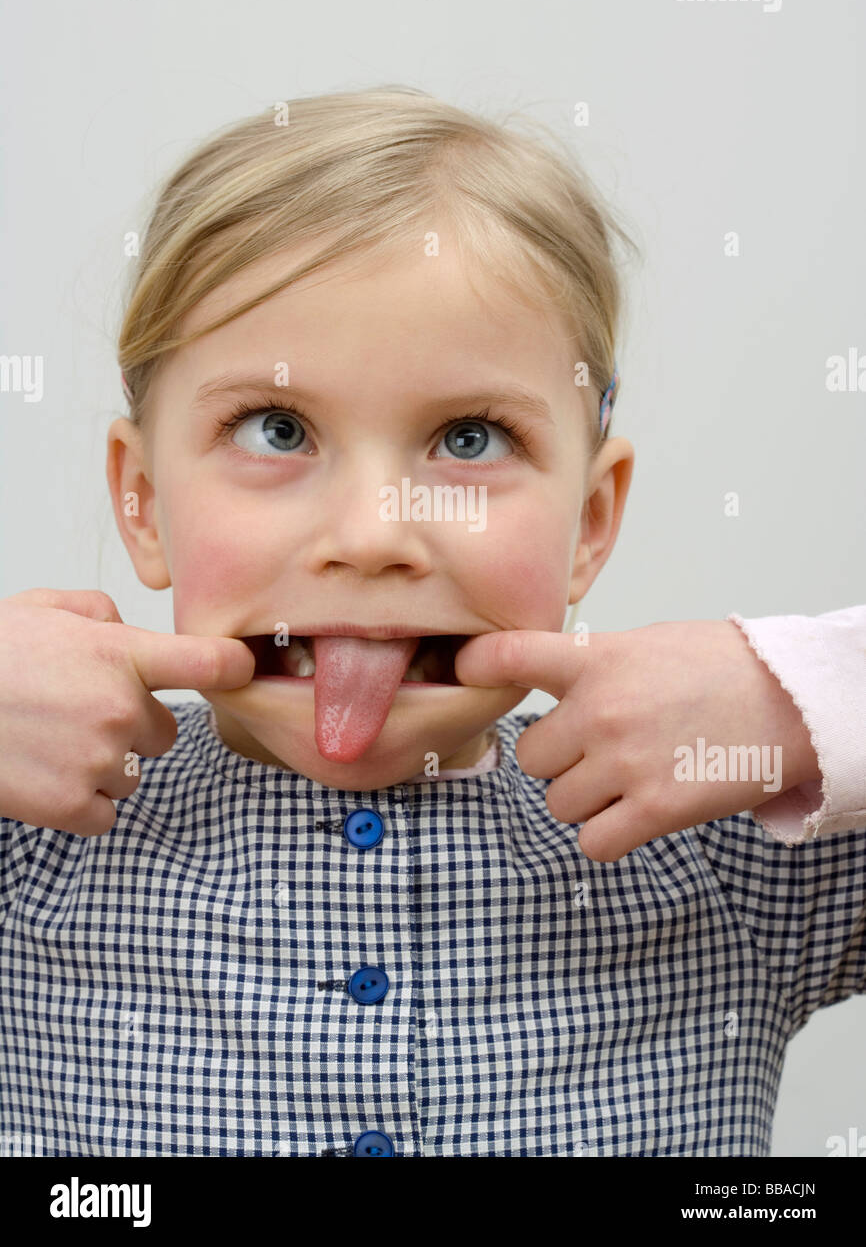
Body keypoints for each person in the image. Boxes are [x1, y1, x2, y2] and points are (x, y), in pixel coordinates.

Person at [0, 87, 863, 1158]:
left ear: (588, 520)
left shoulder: (729, 844)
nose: (372, 535)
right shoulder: (27, 846)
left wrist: (803, 697)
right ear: (142, 500)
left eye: (465, 439)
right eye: (277, 429)